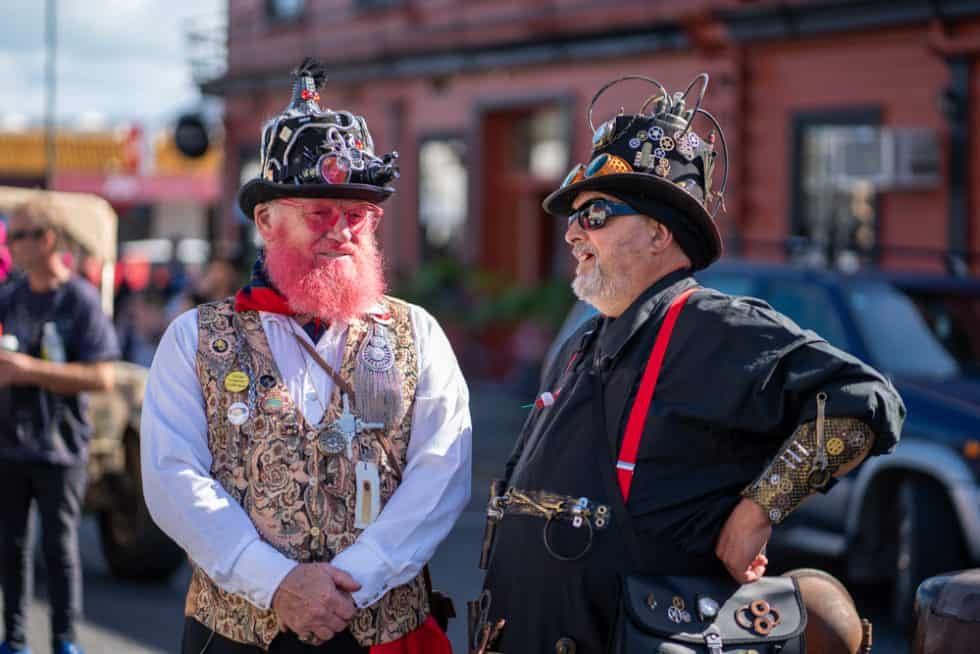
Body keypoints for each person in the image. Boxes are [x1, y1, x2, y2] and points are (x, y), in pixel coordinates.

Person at [478, 74, 906, 652]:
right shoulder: (582, 340)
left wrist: (759, 509)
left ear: (659, 233)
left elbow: (865, 402)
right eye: (573, 216)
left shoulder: (712, 327)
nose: (574, 233)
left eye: (596, 213)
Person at [140, 58, 471, 654]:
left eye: (358, 216)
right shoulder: (194, 338)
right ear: (266, 220)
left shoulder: (417, 332)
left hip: (379, 631)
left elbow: (442, 469)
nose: (343, 231)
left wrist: (356, 579)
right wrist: (276, 583)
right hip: (239, 634)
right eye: (321, 213)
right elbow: (174, 478)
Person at [0, 196, 121, 654]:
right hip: (10, 442)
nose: (11, 245)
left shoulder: (79, 300)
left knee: (59, 548)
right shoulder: (10, 297)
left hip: (61, 446)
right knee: (11, 548)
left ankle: (65, 641)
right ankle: (14, 640)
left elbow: (103, 376)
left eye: (19, 236)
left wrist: (28, 371)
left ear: (47, 240)